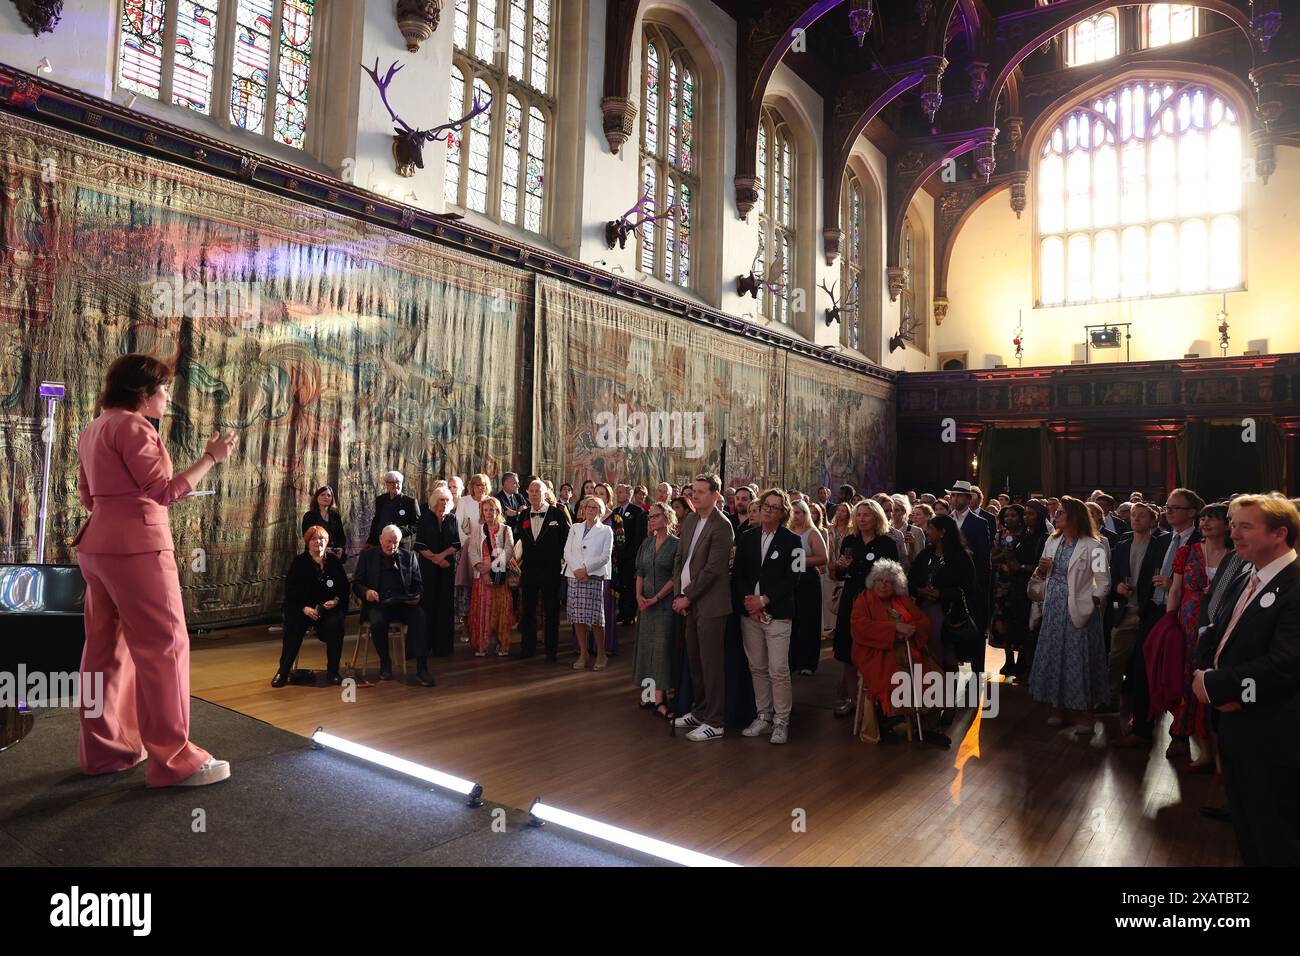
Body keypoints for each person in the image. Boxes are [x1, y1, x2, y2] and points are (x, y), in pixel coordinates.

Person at [74, 353, 238, 787]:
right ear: (143, 394)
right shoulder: (134, 427)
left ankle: (105, 752)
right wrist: (211, 457)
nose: (167, 398)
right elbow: (164, 493)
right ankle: (175, 760)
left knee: (103, 651)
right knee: (166, 646)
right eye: (162, 390)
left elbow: (88, 497)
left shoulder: (93, 429)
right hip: (139, 550)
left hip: (96, 548)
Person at [1192, 494, 1300, 866]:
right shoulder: (1247, 573)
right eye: (1233, 525)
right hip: (1235, 721)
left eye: (1246, 527)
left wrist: (1217, 687)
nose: (1234, 534)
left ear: (1279, 533)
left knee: (1275, 833)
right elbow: (1213, 631)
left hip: (1272, 727)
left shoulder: (1294, 584)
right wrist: (1204, 673)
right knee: (1248, 827)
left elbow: (1286, 664)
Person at [1028, 497, 1110, 732]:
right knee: (1056, 656)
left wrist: (1093, 601)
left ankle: (1086, 715)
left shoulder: (1094, 545)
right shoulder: (1052, 541)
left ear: (1075, 516)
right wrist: (1041, 569)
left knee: (1079, 658)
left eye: (1062, 512)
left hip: (1079, 607)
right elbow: (1043, 573)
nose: (1056, 516)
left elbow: (1103, 581)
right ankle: (1059, 709)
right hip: (1053, 605)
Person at [851, 560, 949, 747]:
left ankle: (925, 727)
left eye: (888, 582)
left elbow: (923, 621)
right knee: (895, 679)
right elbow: (860, 627)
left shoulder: (902, 600)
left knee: (936, 677)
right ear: (873, 582)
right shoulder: (864, 600)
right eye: (879, 580)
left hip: (910, 650)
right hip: (878, 653)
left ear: (896, 584)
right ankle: (888, 720)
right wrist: (894, 629)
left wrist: (911, 629)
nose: (883, 585)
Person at [732, 488, 803, 744]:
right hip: (750, 614)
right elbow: (738, 575)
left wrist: (764, 600)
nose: (768, 510)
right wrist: (750, 603)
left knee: (778, 669)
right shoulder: (747, 538)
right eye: (765, 506)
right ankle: (763, 715)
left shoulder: (794, 541)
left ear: (783, 512)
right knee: (757, 667)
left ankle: (781, 720)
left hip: (778, 614)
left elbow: (793, 579)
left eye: (774, 507)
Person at [1165, 501, 1230, 772]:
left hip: (1221, 627)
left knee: (1217, 686)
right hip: (1188, 626)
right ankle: (1202, 752)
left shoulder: (1236, 555)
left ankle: (1221, 758)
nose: (1205, 523)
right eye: (1203, 519)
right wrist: (1169, 621)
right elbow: (1176, 591)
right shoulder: (1187, 551)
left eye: (1212, 519)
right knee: (1189, 686)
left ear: (1227, 525)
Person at [671, 474, 736, 741]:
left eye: (700, 492)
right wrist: (678, 594)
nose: (694, 496)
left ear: (715, 496)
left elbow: (713, 570)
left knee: (711, 664)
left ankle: (716, 721)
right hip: (688, 602)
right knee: (695, 661)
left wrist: (688, 597)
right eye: (693, 491)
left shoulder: (722, 526)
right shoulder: (691, 520)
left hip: (710, 604)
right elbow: (680, 559)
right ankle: (699, 711)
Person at [831, 500, 899, 717]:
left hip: (875, 603)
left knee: (873, 652)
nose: (861, 519)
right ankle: (851, 699)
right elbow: (841, 575)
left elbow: (893, 576)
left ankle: (875, 701)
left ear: (876, 518)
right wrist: (840, 568)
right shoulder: (850, 541)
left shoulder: (886, 543)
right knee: (848, 650)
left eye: (866, 515)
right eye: (858, 515)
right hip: (852, 599)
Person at [353, 525, 432, 685]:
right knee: (378, 622)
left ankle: (422, 668)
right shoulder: (368, 556)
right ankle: (385, 663)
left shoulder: (409, 556)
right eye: (388, 542)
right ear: (381, 539)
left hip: (403, 603)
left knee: (420, 616)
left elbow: (419, 585)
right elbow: (356, 584)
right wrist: (366, 592)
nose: (392, 546)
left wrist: (416, 597)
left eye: (395, 542)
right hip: (378, 603)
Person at [275, 526, 349, 686]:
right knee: (293, 627)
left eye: (321, 539)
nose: (318, 542)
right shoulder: (299, 562)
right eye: (314, 539)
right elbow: (291, 591)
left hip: (327, 609)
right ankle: (283, 671)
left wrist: (335, 600)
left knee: (336, 625)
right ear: (308, 542)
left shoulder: (334, 562)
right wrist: (305, 608)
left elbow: (344, 588)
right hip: (303, 609)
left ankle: (333, 671)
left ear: (326, 541)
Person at [908, 514, 977, 675]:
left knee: (947, 657)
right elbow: (910, 579)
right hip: (923, 611)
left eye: (931, 529)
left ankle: (946, 696)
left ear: (943, 532)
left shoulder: (961, 557)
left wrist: (942, 593)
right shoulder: (926, 554)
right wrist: (919, 590)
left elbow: (968, 586)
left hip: (949, 614)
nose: (927, 532)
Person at [633, 502, 679, 719]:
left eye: (655, 516)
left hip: (663, 605)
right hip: (645, 604)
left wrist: (656, 598)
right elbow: (640, 571)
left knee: (660, 650)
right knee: (646, 648)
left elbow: (675, 576)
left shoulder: (676, 544)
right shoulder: (647, 543)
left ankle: (660, 699)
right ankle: (648, 693)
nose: (650, 520)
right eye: (650, 517)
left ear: (667, 518)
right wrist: (639, 597)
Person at [518, 478, 571, 661]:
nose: (534, 494)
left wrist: (565, 567)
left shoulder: (557, 514)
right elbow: (519, 543)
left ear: (545, 493)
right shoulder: (523, 515)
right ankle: (528, 647)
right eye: (531, 491)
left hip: (551, 570)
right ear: (527, 493)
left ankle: (551, 651)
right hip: (529, 570)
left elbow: (566, 543)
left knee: (552, 611)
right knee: (528, 611)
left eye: (537, 491)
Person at [564, 496, 614, 670]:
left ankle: (601, 654)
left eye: (595, 507)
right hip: (574, 576)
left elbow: (605, 557)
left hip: (593, 577)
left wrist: (585, 570)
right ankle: (583, 653)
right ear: (583, 510)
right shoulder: (575, 528)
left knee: (596, 619)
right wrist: (578, 571)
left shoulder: (606, 530)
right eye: (588, 507)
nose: (591, 510)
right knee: (577, 618)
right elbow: (567, 551)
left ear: (601, 511)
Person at [467, 496, 516, 657]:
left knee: (501, 610)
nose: (488, 513)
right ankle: (482, 645)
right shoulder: (477, 529)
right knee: (483, 610)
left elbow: (509, 551)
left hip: (500, 576)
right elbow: (472, 552)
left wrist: (492, 566)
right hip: (482, 576)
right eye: (485, 510)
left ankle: (502, 644)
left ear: (498, 511)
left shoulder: (505, 529)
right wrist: (484, 570)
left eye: (491, 510)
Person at [415, 485, 461, 658]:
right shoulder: (424, 518)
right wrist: (435, 558)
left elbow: (456, 544)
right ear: (434, 501)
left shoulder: (452, 519)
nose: (444, 502)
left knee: (444, 606)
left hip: (446, 568)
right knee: (427, 606)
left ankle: (443, 648)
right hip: (427, 568)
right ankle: (425, 646)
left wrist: (442, 557)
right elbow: (419, 545)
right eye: (441, 499)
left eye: (447, 500)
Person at [989, 503, 1031, 676]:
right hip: (1002, 585)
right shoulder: (1000, 535)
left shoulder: (1027, 536)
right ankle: (1008, 658)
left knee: (1020, 621)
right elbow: (992, 557)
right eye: (1006, 516)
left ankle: (1021, 660)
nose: (1009, 519)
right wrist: (1004, 556)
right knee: (1003, 622)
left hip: (1020, 583)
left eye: (1013, 516)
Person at [788, 500, 828, 676]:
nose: (795, 516)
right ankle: (793, 661)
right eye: (792, 512)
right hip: (791, 580)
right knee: (792, 621)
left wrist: (801, 560)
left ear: (805, 514)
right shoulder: (787, 532)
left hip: (808, 580)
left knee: (808, 622)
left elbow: (823, 558)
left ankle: (808, 663)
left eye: (798, 512)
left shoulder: (813, 533)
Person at [455, 473, 493, 637]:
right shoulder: (464, 501)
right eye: (477, 484)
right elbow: (458, 526)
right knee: (466, 589)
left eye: (483, 484)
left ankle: (483, 628)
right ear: (471, 486)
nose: (481, 487)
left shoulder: (490, 502)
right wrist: (470, 544)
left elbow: (495, 523)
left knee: (484, 589)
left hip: (487, 551)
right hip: (466, 550)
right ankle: (465, 628)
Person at [614, 483, 647, 625]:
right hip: (617, 557)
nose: (618, 494)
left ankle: (629, 614)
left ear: (628, 495)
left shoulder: (637, 511)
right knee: (620, 585)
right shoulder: (615, 511)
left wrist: (629, 554)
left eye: (621, 492)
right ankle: (621, 612)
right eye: (617, 492)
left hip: (630, 556)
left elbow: (638, 536)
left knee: (630, 585)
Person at [367, 470, 420, 548]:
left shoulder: (410, 502)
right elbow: (376, 521)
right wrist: (370, 541)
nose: (395, 485)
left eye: (398, 482)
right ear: (386, 484)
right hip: (379, 543)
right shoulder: (380, 500)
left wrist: (399, 531)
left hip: (399, 544)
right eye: (392, 482)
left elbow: (417, 524)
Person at [301, 485, 346, 559]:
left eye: (329, 495)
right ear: (317, 498)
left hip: (333, 556)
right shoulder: (309, 516)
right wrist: (324, 549)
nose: (326, 497)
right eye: (323, 495)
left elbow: (341, 538)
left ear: (332, 499)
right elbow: (308, 537)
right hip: (315, 556)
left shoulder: (336, 516)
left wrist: (341, 549)